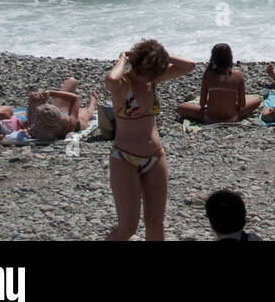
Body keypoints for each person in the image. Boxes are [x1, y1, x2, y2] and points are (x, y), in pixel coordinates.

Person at [105, 40, 195, 241]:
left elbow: (190, 66)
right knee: (127, 228)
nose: (154, 77)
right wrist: (123, 59)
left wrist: (163, 55)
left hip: (155, 157)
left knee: (155, 223)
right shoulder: (122, 84)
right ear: (139, 66)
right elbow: (110, 79)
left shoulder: (152, 79)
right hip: (124, 158)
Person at [177, 43, 262, 124]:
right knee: (257, 100)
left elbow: (202, 104)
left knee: (181, 108)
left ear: (213, 58)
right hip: (232, 117)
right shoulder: (238, 75)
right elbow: (242, 104)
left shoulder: (208, 75)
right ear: (230, 57)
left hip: (209, 118)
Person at [27, 77, 97, 141]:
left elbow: (30, 107)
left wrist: (33, 98)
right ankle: (93, 103)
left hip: (55, 114)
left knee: (72, 81)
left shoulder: (33, 128)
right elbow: (76, 99)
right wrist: (51, 93)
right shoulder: (68, 128)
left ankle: (67, 109)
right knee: (87, 112)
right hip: (76, 124)